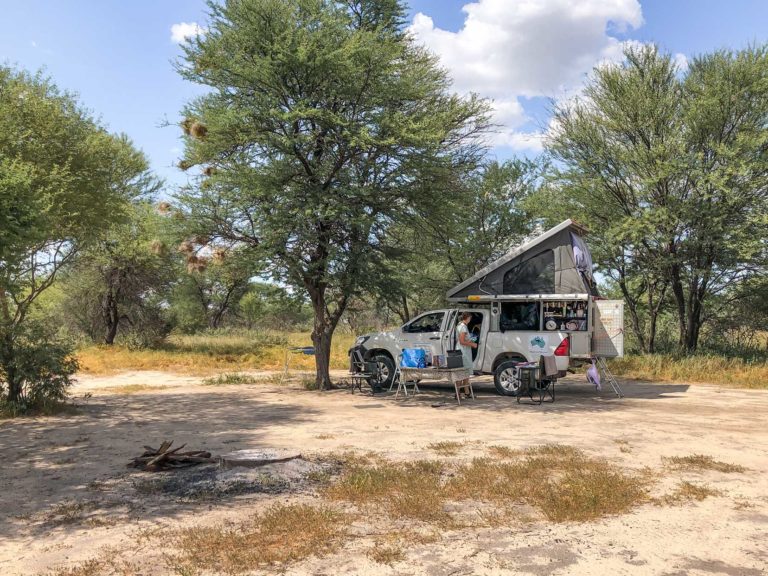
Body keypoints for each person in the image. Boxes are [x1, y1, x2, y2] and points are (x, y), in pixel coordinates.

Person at [456, 312, 477, 397]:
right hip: (463, 352)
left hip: (465, 351)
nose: (470, 320)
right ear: (467, 318)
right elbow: (462, 341)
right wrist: (472, 344)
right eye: (470, 318)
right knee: (462, 372)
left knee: (465, 373)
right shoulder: (463, 327)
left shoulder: (461, 325)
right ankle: (457, 393)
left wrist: (470, 340)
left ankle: (466, 392)